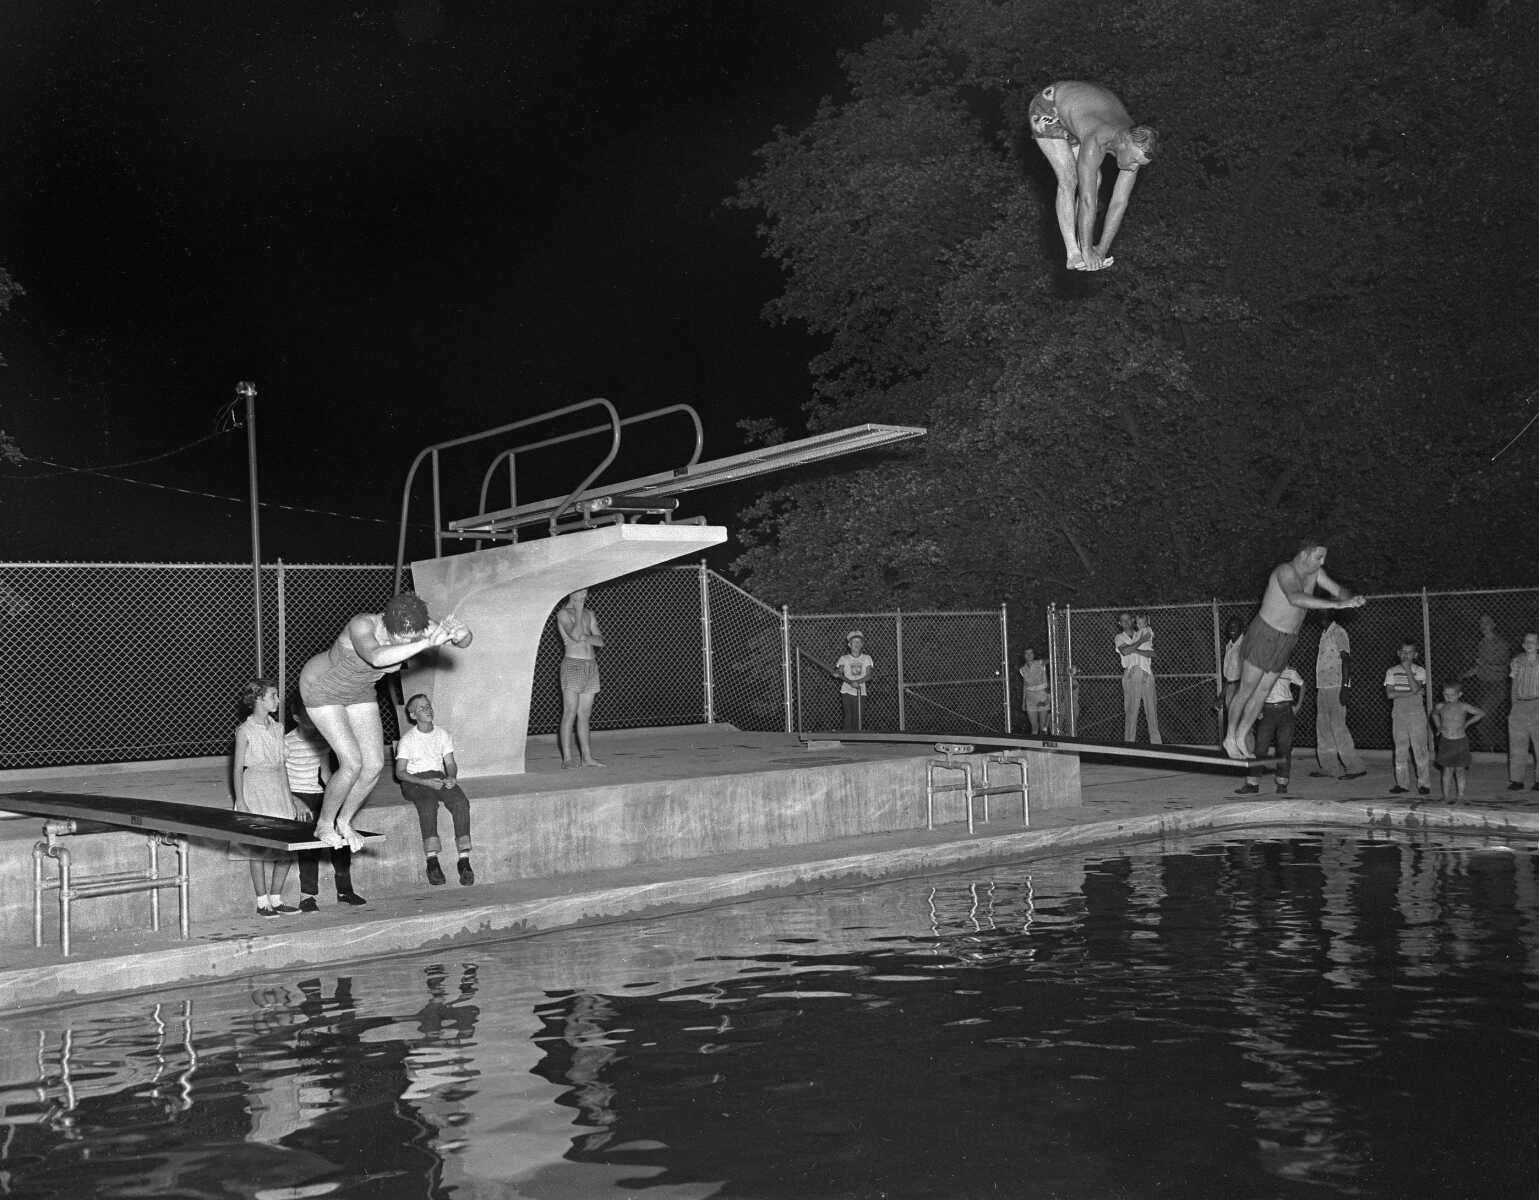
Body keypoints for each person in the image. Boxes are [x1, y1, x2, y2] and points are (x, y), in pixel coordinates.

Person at [300, 592, 473, 852]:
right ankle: (324, 824)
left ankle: (344, 822)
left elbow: (463, 642)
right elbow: (377, 658)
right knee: (352, 763)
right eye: (403, 639)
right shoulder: (362, 624)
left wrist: (462, 635)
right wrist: (426, 643)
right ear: (387, 622)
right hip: (323, 687)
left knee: (374, 766)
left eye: (415, 637)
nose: (408, 643)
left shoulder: (419, 625)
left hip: (360, 691)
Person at [1224, 538, 1366, 760]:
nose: (1322, 562)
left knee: (1263, 692)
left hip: (1286, 640)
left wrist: (1351, 599)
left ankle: (1241, 736)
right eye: (1319, 557)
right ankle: (1229, 738)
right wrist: (1337, 604)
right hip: (1266, 633)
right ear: (1304, 555)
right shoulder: (1285, 571)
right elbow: (1295, 598)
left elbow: (1337, 589)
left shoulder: (1316, 574)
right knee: (1247, 689)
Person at [1028, 80, 1158, 271]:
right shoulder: (1096, 140)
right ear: (1123, 142)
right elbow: (1087, 201)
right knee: (1070, 178)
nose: (1134, 167)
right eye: (1134, 161)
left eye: (1139, 164)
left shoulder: (1137, 146)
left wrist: (1101, 249)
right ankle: (1073, 253)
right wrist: (1087, 251)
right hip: (1049, 106)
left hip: (1079, 115)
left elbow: (1119, 202)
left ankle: (1084, 249)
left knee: (1095, 179)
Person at [229, 677, 304, 918]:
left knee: (287, 847)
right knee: (258, 847)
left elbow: (282, 766)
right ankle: (262, 903)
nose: (278, 700)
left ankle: (277, 898)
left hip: (277, 789)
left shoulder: (278, 728)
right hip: (255, 789)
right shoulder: (245, 730)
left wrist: (290, 798)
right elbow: (237, 769)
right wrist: (241, 801)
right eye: (273, 695)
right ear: (259, 699)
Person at [285, 696, 366, 912]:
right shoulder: (286, 741)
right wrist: (294, 801)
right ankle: (307, 896)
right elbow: (281, 779)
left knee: (340, 838)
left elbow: (326, 774)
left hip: (319, 793)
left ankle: (345, 891)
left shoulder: (321, 741)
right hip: (297, 796)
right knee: (309, 845)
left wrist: (338, 799)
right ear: (297, 718)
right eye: (308, 716)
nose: (313, 719)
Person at [394, 693, 475, 887]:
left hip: (437, 776)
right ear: (413, 715)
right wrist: (426, 783)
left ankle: (464, 860)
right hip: (414, 780)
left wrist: (451, 777)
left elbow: (450, 763)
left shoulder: (443, 734)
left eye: (428, 706)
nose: (427, 710)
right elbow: (400, 773)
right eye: (421, 708)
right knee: (428, 803)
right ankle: (432, 861)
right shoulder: (408, 739)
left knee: (460, 802)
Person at [1310, 612, 1367, 780]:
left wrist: (1345, 686)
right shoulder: (1324, 634)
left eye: (1323, 611)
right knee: (1323, 729)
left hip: (1336, 686)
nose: (1320, 615)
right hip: (1322, 686)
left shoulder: (1338, 632)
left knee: (1338, 728)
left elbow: (1346, 660)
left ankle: (1355, 767)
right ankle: (1330, 767)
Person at [1234, 666, 1304, 796]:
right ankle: (1252, 783)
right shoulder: (1262, 670)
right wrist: (1257, 709)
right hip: (1267, 710)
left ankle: (1282, 783)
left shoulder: (1290, 671)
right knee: (1260, 748)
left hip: (1285, 709)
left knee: (1284, 747)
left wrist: (1298, 705)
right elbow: (1254, 690)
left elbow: (1302, 684)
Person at [558, 589, 605, 768]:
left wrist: (584, 637)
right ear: (571, 592)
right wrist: (578, 611)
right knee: (570, 711)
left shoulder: (589, 613)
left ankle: (587, 758)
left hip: (590, 665)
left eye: (585, 592)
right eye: (580, 591)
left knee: (584, 714)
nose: (584, 595)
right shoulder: (563, 613)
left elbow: (600, 641)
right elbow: (575, 635)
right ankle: (567, 759)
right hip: (573, 664)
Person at [1383, 642, 1432, 796]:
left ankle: (1424, 783)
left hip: (1416, 713)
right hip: (1399, 713)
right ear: (1399, 653)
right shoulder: (1391, 671)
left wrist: (1408, 670)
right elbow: (1390, 694)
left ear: (1415, 655)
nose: (1406, 655)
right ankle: (1402, 783)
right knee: (1400, 750)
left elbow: (1417, 687)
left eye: (1410, 652)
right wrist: (1412, 692)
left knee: (1420, 749)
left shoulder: (1420, 671)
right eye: (1403, 652)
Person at [1462, 614, 1510, 752]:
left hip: (1496, 685)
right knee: (1486, 721)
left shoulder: (1500, 644)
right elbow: (1480, 666)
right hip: (1483, 686)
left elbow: (1504, 665)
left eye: (1487, 622)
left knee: (1482, 722)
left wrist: (1485, 664)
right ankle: (1503, 746)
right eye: (1481, 622)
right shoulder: (1482, 643)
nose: (1483, 625)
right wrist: (1464, 675)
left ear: (1494, 624)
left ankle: (1492, 749)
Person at [1431, 682, 1485, 802]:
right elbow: (1434, 714)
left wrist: (1467, 724)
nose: (1449, 697)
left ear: (1459, 694)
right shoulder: (1440, 706)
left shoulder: (1464, 706)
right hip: (1446, 741)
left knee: (1460, 770)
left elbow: (1480, 713)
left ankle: (1460, 796)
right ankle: (1446, 796)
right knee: (1447, 770)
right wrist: (1438, 726)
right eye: (1446, 695)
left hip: (1460, 741)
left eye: (1452, 695)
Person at [1114, 613, 1160, 744]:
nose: (1126, 622)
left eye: (1128, 619)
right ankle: (1129, 744)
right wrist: (1140, 642)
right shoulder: (1119, 637)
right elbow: (1125, 651)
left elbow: (1152, 653)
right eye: (1123, 620)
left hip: (1147, 672)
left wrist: (1135, 649)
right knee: (1131, 711)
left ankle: (1157, 745)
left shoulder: (1142, 631)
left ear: (1133, 620)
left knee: (1152, 710)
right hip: (1131, 674)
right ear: (1120, 624)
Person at [1506, 631, 1539, 791]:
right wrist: (1514, 706)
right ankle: (1517, 780)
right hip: (1520, 704)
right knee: (1517, 743)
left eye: (1533, 642)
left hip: (1537, 703)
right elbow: (1514, 685)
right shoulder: (1517, 661)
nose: (1529, 644)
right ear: (1523, 645)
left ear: (1538, 645)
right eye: (1527, 641)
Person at [836, 631, 875, 732]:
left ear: (862, 644)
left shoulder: (867, 658)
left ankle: (857, 737)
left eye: (859, 642)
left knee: (858, 717)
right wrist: (837, 673)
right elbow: (839, 671)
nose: (856, 644)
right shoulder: (844, 658)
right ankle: (847, 737)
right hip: (847, 691)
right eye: (854, 642)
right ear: (849, 645)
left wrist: (858, 681)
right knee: (848, 716)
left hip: (860, 692)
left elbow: (869, 675)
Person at [1019, 646, 1050, 734]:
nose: (1029, 655)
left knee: (1043, 726)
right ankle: (1034, 743)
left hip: (1042, 697)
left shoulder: (1040, 663)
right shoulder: (1022, 669)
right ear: (1024, 655)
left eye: (1031, 653)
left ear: (1034, 655)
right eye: (1026, 653)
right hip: (1030, 699)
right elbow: (1025, 686)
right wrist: (1023, 702)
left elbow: (1052, 660)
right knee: (1034, 726)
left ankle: (1044, 743)